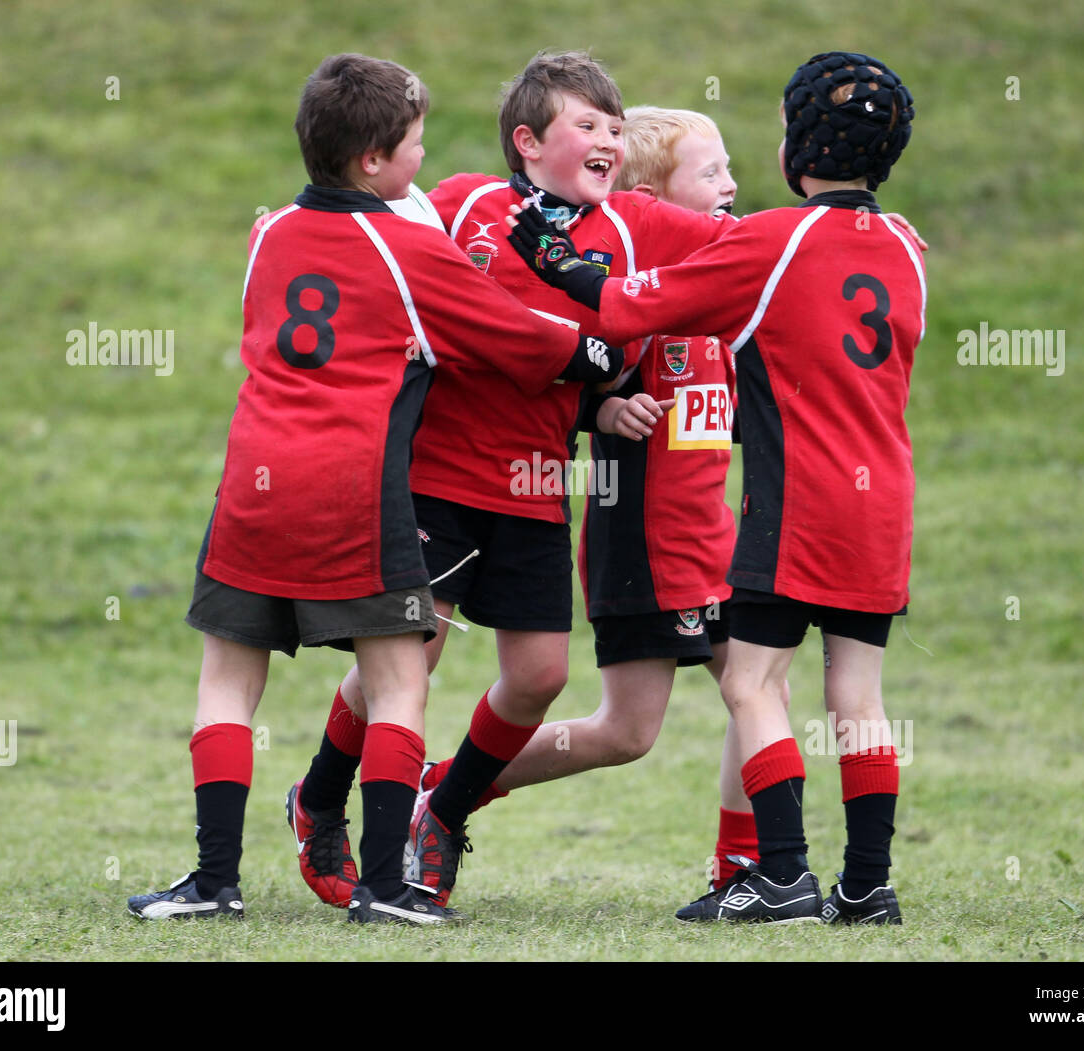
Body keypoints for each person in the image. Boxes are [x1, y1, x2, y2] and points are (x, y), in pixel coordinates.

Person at [126, 52, 620, 927]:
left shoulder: (268, 233)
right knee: (398, 683)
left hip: (251, 485)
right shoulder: (410, 248)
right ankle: (388, 888)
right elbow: (511, 334)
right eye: (416, 146)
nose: (424, 161)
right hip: (355, 490)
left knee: (226, 685)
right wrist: (590, 357)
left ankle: (211, 881)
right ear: (374, 163)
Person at [290, 50, 740, 911]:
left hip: (538, 486)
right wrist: (290, 223)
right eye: (588, 125)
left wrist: (849, 222)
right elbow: (360, 227)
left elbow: (742, 247)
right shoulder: (464, 204)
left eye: (615, 127)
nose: (608, 138)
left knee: (538, 675)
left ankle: (445, 807)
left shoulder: (634, 224)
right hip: (441, 474)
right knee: (407, 658)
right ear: (529, 142)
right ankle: (318, 798)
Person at [508, 51, 924, 925]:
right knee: (859, 695)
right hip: (884, 502)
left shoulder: (773, 239)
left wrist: (546, 252)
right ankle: (869, 885)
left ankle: (778, 874)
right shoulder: (908, 247)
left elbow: (624, 306)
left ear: (796, 150)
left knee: (753, 685)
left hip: (799, 504)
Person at [413, 105, 764, 896]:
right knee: (637, 727)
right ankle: (448, 786)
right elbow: (570, 369)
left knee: (726, 698)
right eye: (709, 173)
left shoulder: (727, 299)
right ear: (650, 201)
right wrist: (603, 407)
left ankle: (744, 866)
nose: (731, 184)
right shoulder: (631, 299)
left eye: (730, 166)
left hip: (717, 541)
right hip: (644, 543)